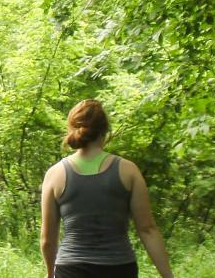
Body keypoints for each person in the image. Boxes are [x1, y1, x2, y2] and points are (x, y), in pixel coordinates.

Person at [40, 99, 174, 278]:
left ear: (73, 128)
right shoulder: (128, 170)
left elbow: (48, 240)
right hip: (119, 268)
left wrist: (50, 274)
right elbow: (147, 229)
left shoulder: (55, 174)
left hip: (70, 270)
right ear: (105, 131)